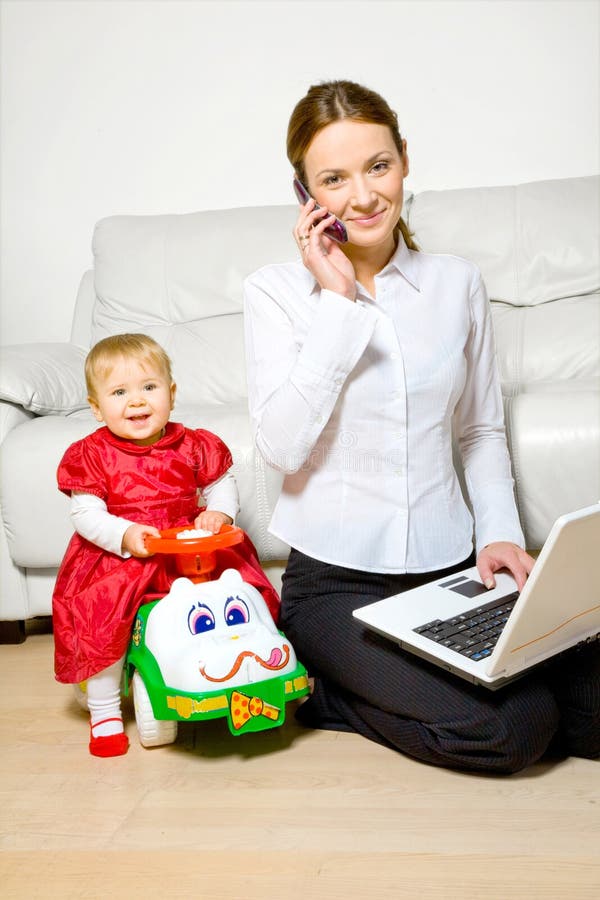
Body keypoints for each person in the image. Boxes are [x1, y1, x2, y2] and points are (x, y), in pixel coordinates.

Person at [242, 79, 600, 774]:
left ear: (404, 158)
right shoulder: (277, 295)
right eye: (334, 179)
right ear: (305, 195)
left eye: (378, 166)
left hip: (448, 576)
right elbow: (281, 446)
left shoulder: (457, 283)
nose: (364, 196)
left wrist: (498, 533)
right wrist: (339, 304)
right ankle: (324, 694)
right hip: (336, 589)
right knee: (515, 730)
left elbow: (480, 432)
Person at [52, 333, 279, 757]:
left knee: (243, 595)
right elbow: (85, 514)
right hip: (120, 557)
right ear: (97, 407)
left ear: (171, 395)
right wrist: (124, 534)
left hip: (189, 547)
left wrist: (219, 514)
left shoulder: (193, 444)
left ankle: (256, 669)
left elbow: (220, 484)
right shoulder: (92, 455)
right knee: (102, 617)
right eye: (119, 392)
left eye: (149, 388)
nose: (136, 401)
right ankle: (104, 709)